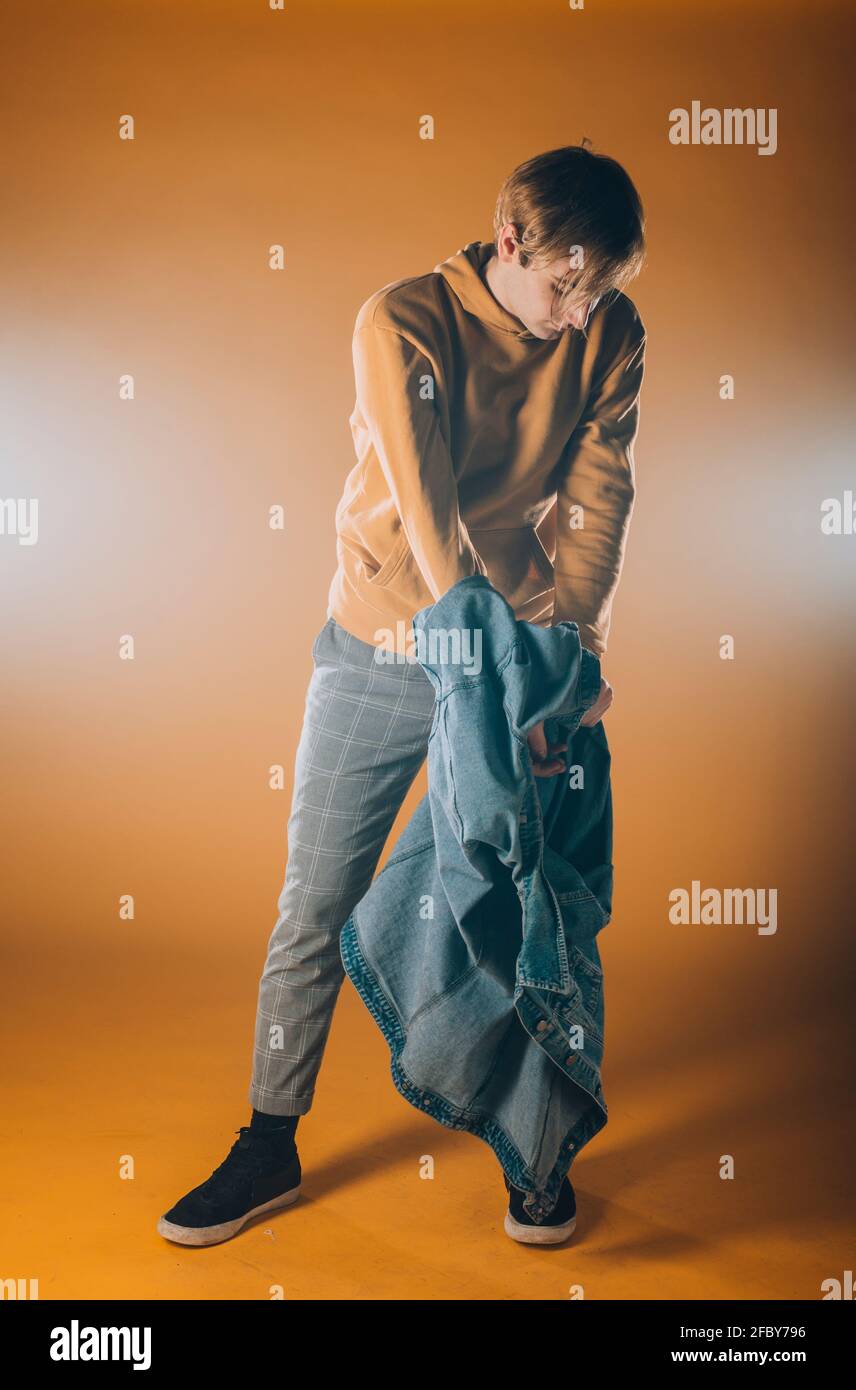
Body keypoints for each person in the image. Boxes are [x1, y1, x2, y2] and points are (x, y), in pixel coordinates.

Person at [157, 143, 647, 1247]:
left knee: (533, 901)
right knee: (314, 904)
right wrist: (491, 662)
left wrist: (566, 650)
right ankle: (268, 1140)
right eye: (566, 286)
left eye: (599, 291)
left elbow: (601, 492)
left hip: (516, 647)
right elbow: (431, 520)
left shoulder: (612, 331)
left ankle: (536, 1151)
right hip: (386, 638)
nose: (578, 317)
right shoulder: (401, 320)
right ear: (509, 240)